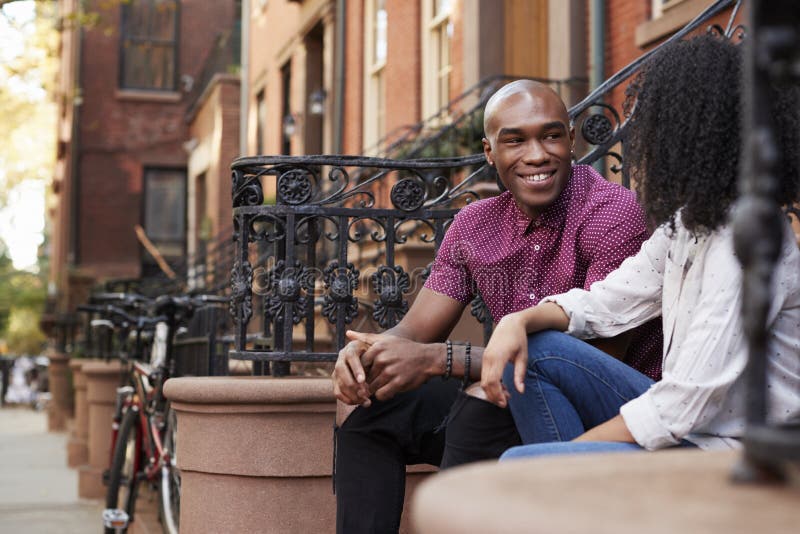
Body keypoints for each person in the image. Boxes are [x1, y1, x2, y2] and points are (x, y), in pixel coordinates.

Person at [332, 79, 663, 533]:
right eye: (515, 140)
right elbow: (414, 331)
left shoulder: (610, 213)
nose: (537, 155)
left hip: (604, 411)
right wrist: (364, 356)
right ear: (489, 153)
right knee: (373, 411)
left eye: (550, 135)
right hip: (509, 390)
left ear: (570, 139)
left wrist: (439, 360)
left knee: (482, 408)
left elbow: (587, 360)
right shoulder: (475, 225)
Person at [480, 34, 800, 459]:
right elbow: (607, 302)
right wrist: (516, 322)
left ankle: (566, 498)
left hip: (733, 453)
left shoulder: (749, 239)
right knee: (534, 347)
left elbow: (680, 406)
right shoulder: (689, 224)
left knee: (518, 465)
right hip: (692, 431)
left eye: (661, 127)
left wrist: (561, 461)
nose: (650, 141)